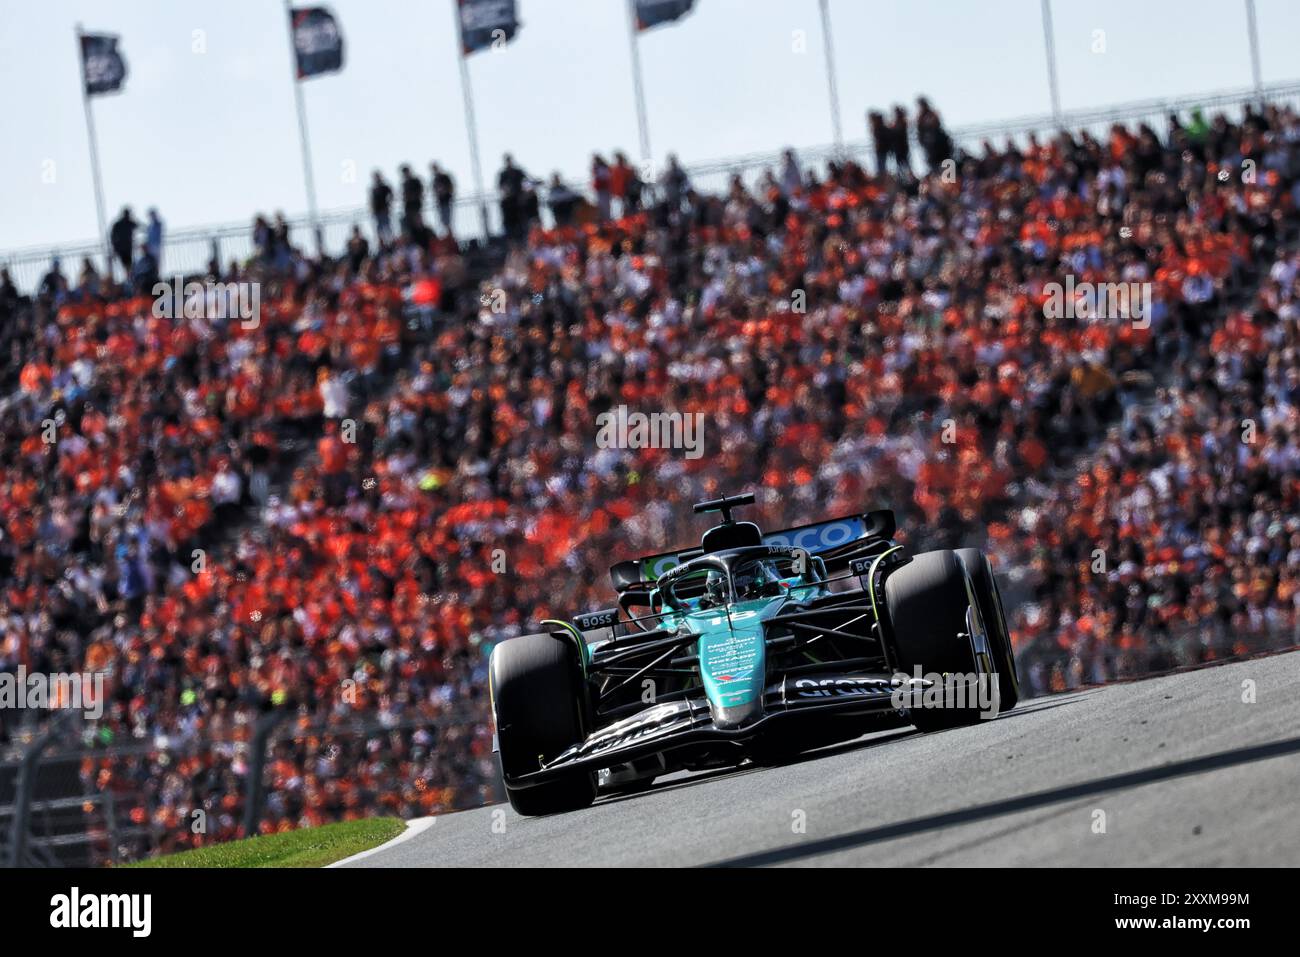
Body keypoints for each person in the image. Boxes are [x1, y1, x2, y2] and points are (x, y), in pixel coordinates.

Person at [497, 154, 528, 241]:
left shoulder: (518, 172)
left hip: (518, 204)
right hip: (508, 205)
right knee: (510, 229)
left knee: (522, 227)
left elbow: (527, 181)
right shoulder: (503, 174)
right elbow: (501, 187)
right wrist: (506, 191)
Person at [109, 207, 137, 279]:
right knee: (127, 266)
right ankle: (129, 278)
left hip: (126, 248)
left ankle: (129, 278)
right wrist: (114, 248)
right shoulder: (118, 224)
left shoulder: (127, 223)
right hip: (123, 249)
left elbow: (137, 225)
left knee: (128, 266)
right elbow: (112, 237)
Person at [399, 165, 425, 238]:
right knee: (408, 224)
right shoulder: (404, 183)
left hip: (416, 206)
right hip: (408, 207)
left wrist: (413, 196)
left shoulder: (416, 181)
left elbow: (421, 191)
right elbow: (403, 195)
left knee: (418, 225)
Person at [431, 163, 456, 235]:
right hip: (440, 202)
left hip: (446, 201)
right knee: (443, 221)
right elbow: (434, 190)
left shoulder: (445, 177)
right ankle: (447, 236)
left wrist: (444, 191)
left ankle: (450, 236)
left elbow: (451, 187)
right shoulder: (435, 179)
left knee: (447, 221)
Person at [369, 171, 394, 243]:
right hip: (377, 212)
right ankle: (382, 243)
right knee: (379, 229)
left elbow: (391, 195)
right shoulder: (373, 188)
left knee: (387, 228)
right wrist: (372, 209)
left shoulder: (385, 186)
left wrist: (389, 205)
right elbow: (372, 200)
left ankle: (391, 242)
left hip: (384, 211)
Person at [591, 154, 612, 221]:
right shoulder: (596, 168)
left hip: (605, 189)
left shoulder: (605, 167)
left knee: (606, 206)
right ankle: (603, 219)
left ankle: (607, 219)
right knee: (600, 205)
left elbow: (607, 177)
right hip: (600, 190)